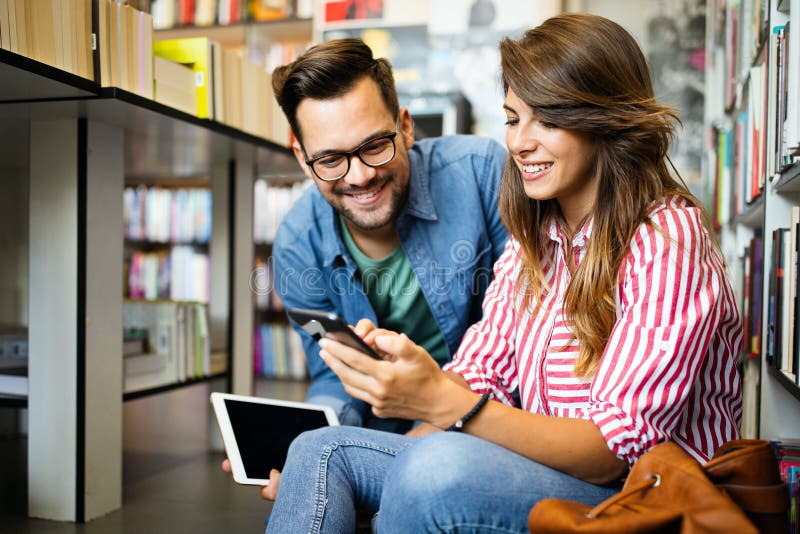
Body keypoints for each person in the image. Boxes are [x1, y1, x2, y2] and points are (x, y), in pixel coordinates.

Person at [263, 13, 743, 533]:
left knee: (434, 468)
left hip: (639, 495)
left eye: (549, 120)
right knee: (320, 452)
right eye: (514, 119)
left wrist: (444, 403)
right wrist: (419, 393)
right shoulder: (536, 238)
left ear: (607, 119)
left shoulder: (669, 238)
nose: (519, 143)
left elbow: (613, 450)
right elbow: (481, 369)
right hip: (541, 472)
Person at [268, 39, 509, 433]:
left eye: (375, 145)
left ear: (406, 127)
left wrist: (431, 426)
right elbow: (333, 377)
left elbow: (523, 339)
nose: (360, 176)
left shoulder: (482, 173)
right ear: (303, 160)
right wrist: (315, 449)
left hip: (488, 411)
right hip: (383, 428)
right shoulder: (296, 245)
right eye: (330, 159)